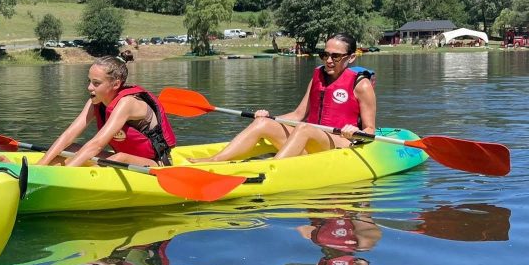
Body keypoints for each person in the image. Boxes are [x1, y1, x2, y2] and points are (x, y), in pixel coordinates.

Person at [192, 33, 376, 163]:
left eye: (335, 57)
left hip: (340, 142)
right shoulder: (318, 77)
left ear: (351, 57)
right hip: (310, 137)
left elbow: (370, 130)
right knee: (262, 123)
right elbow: (298, 115)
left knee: (304, 128)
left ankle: (273, 168)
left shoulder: (361, 85)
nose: (328, 60)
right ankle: (215, 160)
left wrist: (355, 131)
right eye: (325, 55)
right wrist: (269, 119)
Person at [38, 52, 176, 168]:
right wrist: (40, 165)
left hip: (155, 163)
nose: (89, 87)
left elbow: (97, 145)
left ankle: (68, 178)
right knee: (68, 149)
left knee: (118, 158)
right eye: (89, 81)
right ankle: (42, 171)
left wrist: (66, 172)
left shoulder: (126, 103)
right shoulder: (96, 101)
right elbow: (68, 135)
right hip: (124, 158)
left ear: (116, 84)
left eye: (96, 83)